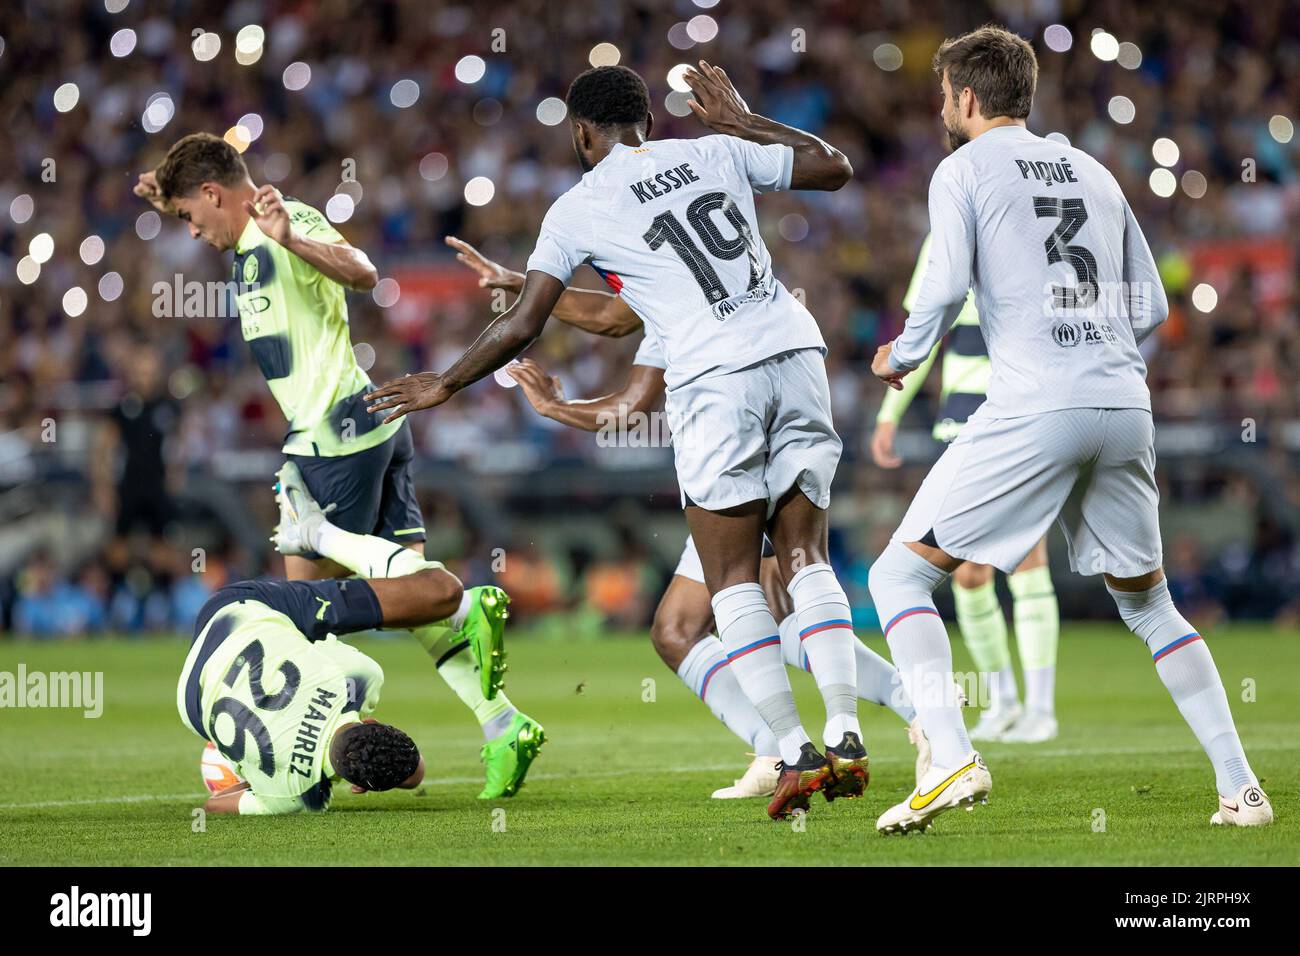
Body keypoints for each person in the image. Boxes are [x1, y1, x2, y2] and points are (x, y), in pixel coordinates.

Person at [368, 62, 865, 820]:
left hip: (714, 377)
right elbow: (835, 168)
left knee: (731, 579)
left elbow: (528, 323)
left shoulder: (576, 208)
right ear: (650, 122)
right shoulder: (714, 151)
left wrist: (445, 383)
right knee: (805, 559)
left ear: (580, 132)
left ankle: (795, 751)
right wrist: (743, 121)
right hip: (795, 353)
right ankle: (848, 734)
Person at [867, 25, 1271, 833]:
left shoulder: (963, 169)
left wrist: (901, 357)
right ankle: (1242, 790)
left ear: (968, 98)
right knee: (1152, 608)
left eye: (945, 93)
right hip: (1123, 403)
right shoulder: (1093, 171)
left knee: (898, 579)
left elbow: (943, 285)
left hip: (1033, 404)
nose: (941, 107)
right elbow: (1153, 306)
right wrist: (1096, 348)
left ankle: (948, 757)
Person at [448, 237, 930, 798]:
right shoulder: (698, 283)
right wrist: (519, 283)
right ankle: (787, 747)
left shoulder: (669, 292)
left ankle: (903, 715)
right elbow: (617, 344)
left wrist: (554, 397)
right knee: (681, 626)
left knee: (762, 597)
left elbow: (617, 355)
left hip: (732, 445)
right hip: (782, 399)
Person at [135, 133, 541, 798]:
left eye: (189, 215)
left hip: (334, 435)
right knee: (395, 603)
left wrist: (291, 237)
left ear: (213, 194)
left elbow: (361, 269)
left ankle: (337, 744)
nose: (194, 231)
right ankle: (501, 725)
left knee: (312, 613)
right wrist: (161, 187)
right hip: (367, 423)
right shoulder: (245, 235)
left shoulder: (278, 220)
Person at [180, 470, 539, 814]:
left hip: (235, 611)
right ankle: (497, 716)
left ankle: (453, 605)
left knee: (433, 590)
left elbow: (413, 774)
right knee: (389, 570)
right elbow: (215, 804)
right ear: (357, 784)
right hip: (192, 700)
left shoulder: (355, 678)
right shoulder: (298, 798)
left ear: (372, 724)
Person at [872, 235, 1061, 742]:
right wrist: (890, 412)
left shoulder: (1031, 222)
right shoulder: (943, 235)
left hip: (1019, 401)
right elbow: (925, 330)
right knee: (969, 573)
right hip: (960, 413)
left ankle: (1041, 709)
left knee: (1026, 556)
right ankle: (1003, 703)